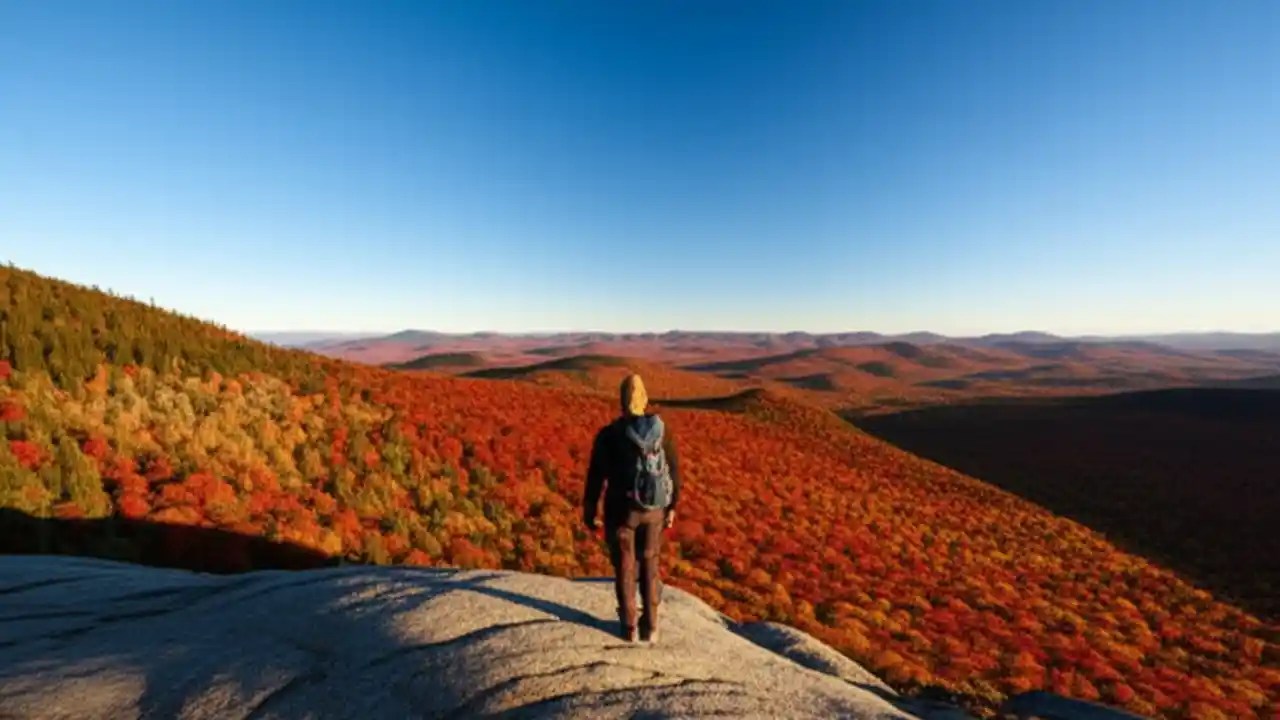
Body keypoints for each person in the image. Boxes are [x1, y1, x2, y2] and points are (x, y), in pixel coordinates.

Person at [583, 373, 680, 643]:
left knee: (625, 565)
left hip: (621, 511)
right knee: (650, 562)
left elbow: (595, 477)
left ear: (622, 401)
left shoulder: (609, 435)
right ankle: (651, 627)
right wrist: (672, 506)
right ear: (645, 399)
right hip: (655, 510)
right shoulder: (662, 432)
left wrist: (589, 511)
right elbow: (673, 470)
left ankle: (628, 628)